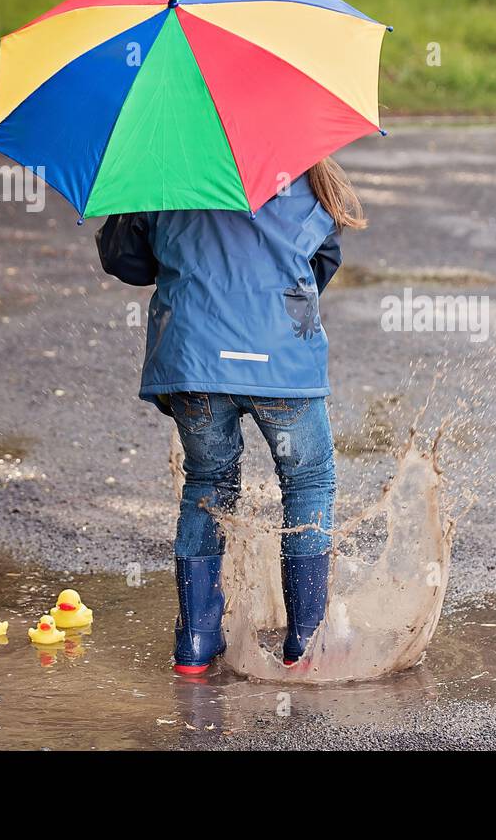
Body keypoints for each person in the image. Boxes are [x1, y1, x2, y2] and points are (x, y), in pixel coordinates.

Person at [95, 157, 365, 673]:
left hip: (195, 359)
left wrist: (128, 204)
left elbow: (126, 263)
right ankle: (305, 643)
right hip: (282, 359)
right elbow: (323, 258)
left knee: (207, 484)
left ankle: (195, 645)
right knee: (307, 482)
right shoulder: (301, 166)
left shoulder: (167, 165)